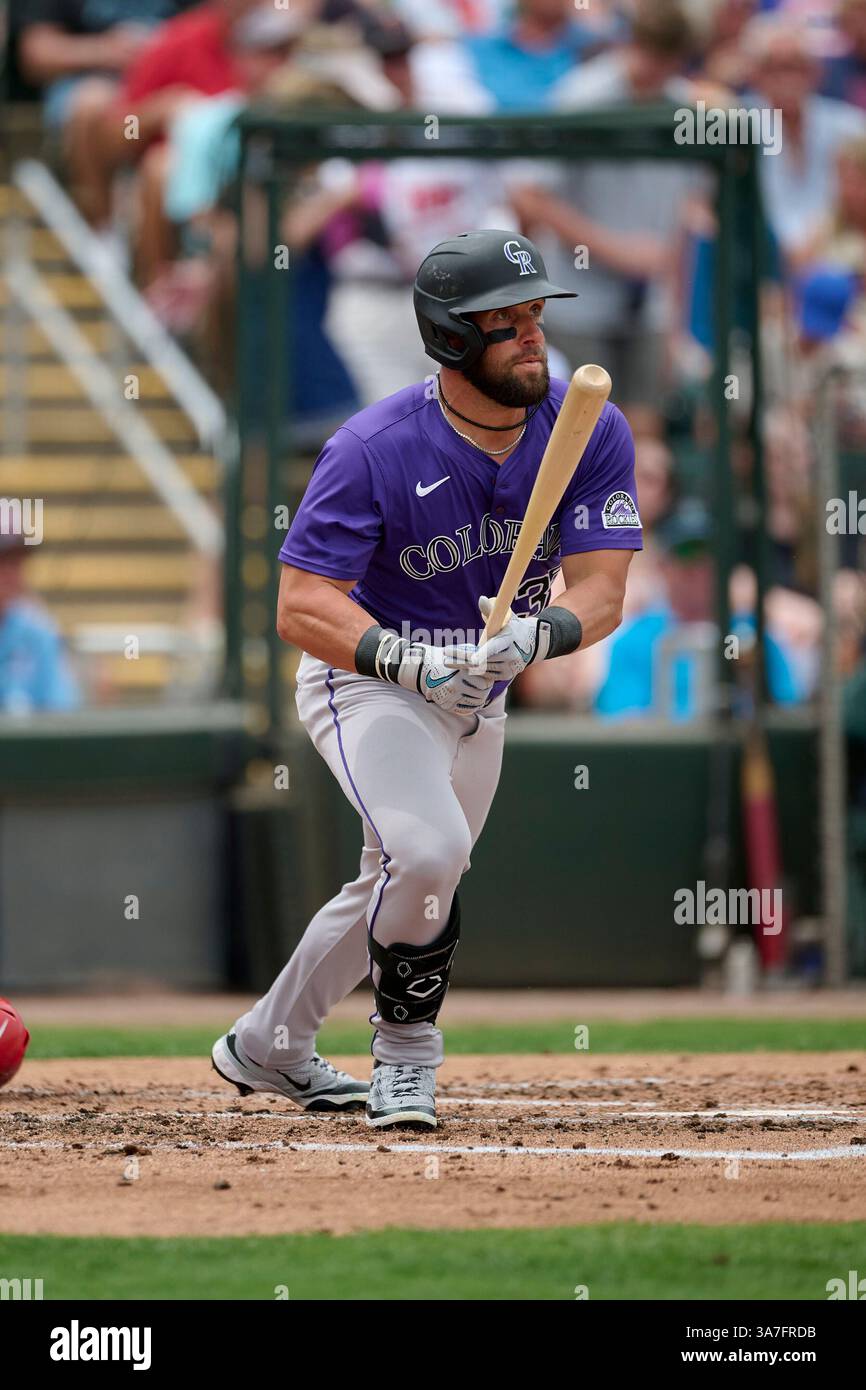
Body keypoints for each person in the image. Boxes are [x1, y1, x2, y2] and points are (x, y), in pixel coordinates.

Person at [211, 229, 643, 1127]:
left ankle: (268, 1045)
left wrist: (535, 638)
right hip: (370, 673)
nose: (531, 335)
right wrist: (408, 659)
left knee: (404, 880)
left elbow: (603, 592)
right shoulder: (372, 448)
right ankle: (407, 1056)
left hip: (486, 680)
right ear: (450, 336)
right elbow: (301, 606)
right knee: (431, 854)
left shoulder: (589, 425)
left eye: (535, 316)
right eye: (505, 322)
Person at [0, 534, 80, 714]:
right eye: (3, 563)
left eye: (16, 563)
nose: (11, 574)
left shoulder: (39, 632)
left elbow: (61, 710)